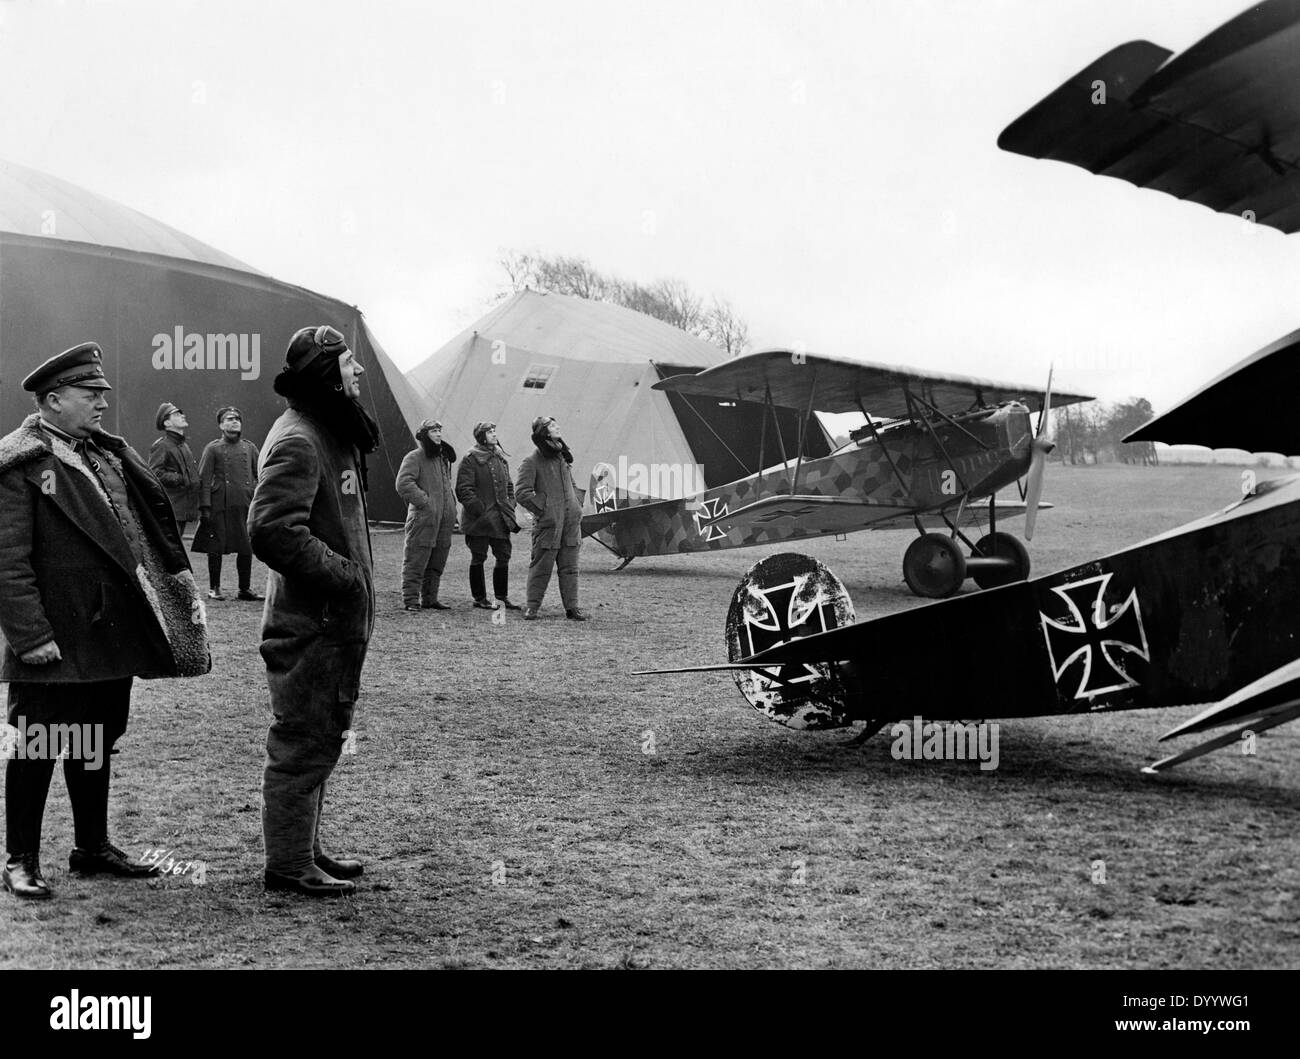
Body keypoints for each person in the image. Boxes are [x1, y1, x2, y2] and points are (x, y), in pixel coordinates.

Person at [0, 342, 210, 900]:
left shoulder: (108, 456)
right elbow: (7, 561)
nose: (100, 404)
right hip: (56, 635)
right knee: (38, 744)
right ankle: (19, 859)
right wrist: (30, 637)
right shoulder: (21, 463)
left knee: (96, 740)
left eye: (101, 394)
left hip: (111, 629)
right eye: (89, 394)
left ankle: (91, 848)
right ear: (52, 400)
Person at [247, 324, 379, 897]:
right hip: (313, 625)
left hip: (333, 624)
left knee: (323, 735)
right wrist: (347, 579)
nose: (359, 371)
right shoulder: (301, 439)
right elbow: (272, 530)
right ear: (328, 375)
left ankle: (305, 847)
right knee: (302, 741)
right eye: (350, 363)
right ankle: (288, 866)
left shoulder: (328, 428)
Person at [515, 416, 587, 621]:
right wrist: (544, 509)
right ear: (543, 432)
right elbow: (522, 492)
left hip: (571, 524)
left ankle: (572, 608)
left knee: (571, 568)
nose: (558, 427)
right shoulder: (531, 461)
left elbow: (570, 484)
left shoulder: (562, 457)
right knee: (541, 568)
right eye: (552, 425)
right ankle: (532, 607)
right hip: (549, 525)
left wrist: (576, 505)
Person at [194, 407, 262, 601]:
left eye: (237, 419)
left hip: (244, 505)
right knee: (216, 547)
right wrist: (205, 508)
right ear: (221, 425)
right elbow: (204, 480)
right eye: (230, 419)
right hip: (219, 506)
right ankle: (214, 588)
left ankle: (245, 589)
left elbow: (260, 474)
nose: (235, 422)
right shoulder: (213, 448)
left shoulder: (249, 448)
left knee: (245, 546)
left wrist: (254, 494)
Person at [455, 422, 521, 610]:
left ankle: (501, 597)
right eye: (489, 432)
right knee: (478, 557)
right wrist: (479, 510)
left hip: (501, 519)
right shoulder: (471, 459)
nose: (493, 434)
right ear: (481, 437)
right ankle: (479, 598)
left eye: (494, 431)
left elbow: (509, 485)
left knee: (503, 556)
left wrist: (511, 503)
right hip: (480, 521)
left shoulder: (500, 458)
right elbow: (464, 489)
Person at [395, 419, 457, 611]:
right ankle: (411, 600)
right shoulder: (415, 457)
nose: (438, 434)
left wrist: (450, 509)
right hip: (423, 519)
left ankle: (430, 599)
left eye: (439, 430)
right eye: (433, 431)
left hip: (443, 520)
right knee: (416, 558)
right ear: (424, 434)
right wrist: (425, 502)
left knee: (437, 559)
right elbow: (403, 483)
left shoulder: (442, 459)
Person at [148, 402, 200, 534]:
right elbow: (155, 473)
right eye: (176, 414)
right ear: (167, 423)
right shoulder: (162, 446)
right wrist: (181, 478)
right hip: (171, 509)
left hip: (182, 508)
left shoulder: (183, 446)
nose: (182, 416)